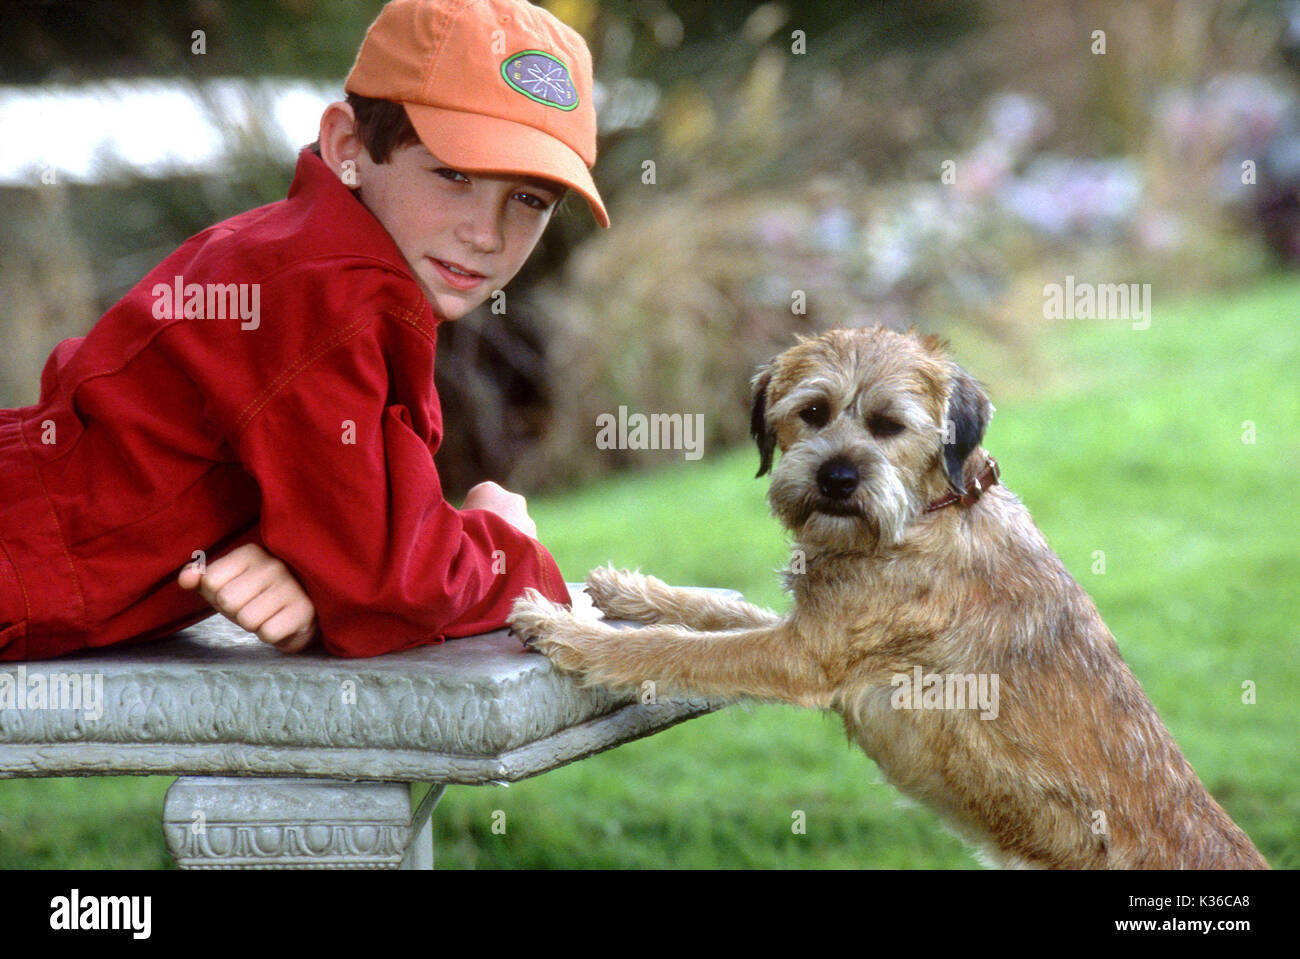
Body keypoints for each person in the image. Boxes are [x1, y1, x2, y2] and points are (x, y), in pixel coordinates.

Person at [0, 0, 608, 661]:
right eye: (453, 174)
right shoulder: (330, 295)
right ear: (348, 146)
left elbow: (356, 554)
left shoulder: (313, 259)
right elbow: (395, 586)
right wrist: (503, 545)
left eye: (528, 200)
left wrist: (309, 576)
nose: (485, 233)